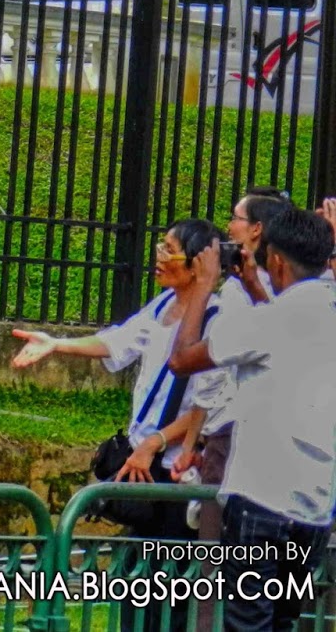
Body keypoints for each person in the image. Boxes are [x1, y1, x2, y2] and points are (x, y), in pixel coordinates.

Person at [13, 219, 220, 632]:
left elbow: (210, 402)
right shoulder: (162, 306)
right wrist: (57, 344)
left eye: (169, 250)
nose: (159, 258)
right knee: (135, 579)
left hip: (179, 470)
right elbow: (118, 341)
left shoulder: (217, 318)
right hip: (141, 461)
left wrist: (159, 442)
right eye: (160, 247)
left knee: (172, 586)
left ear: (197, 264)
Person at [169, 209, 336, 632]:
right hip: (314, 510)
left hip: (261, 502)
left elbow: (182, 358)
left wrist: (205, 285)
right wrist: (255, 287)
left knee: (246, 625)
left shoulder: (264, 322)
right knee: (282, 623)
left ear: (276, 259)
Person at [177, 187, 292, 547]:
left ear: (256, 229)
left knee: (219, 555)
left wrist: (204, 284)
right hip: (276, 438)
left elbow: (192, 363)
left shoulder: (239, 293)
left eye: (235, 219)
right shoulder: (297, 290)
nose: (228, 227)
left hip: (233, 430)